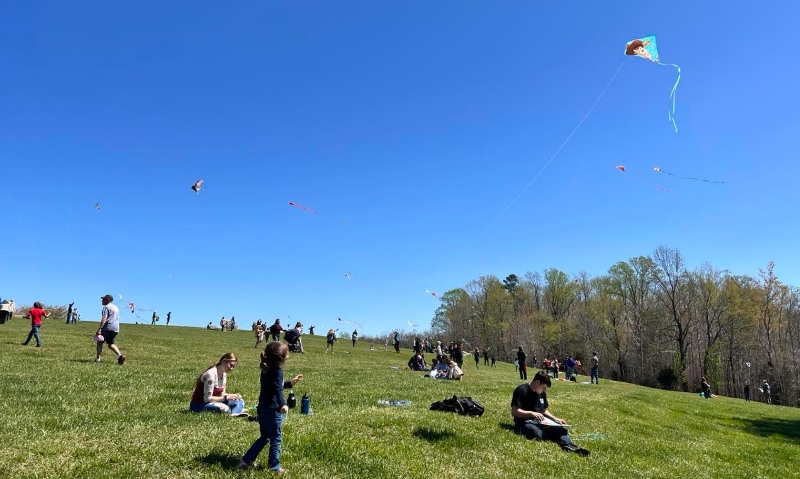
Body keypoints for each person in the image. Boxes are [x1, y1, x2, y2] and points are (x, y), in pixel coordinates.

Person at [239, 341, 304, 473]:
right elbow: (277, 391)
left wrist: (290, 383)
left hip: (262, 407)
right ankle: (274, 466)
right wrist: (283, 404)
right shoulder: (277, 370)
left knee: (264, 437)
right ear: (282, 357)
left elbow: (275, 385)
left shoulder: (266, 368)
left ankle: (246, 460)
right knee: (276, 438)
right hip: (272, 410)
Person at [511, 371, 590, 456]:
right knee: (535, 432)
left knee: (561, 430)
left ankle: (570, 446)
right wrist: (532, 413)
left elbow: (543, 410)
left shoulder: (542, 394)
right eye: (543, 388)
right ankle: (554, 437)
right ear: (537, 382)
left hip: (541, 420)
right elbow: (515, 412)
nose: (544, 390)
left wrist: (554, 418)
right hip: (524, 422)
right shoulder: (521, 390)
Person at [96, 294, 126, 364]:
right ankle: (119, 355)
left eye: (103, 299)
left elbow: (104, 318)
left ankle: (98, 359)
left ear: (108, 300)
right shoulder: (116, 307)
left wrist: (100, 328)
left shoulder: (106, 307)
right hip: (115, 328)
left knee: (99, 343)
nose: (102, 301)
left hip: (107, 328)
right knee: (111, 344)